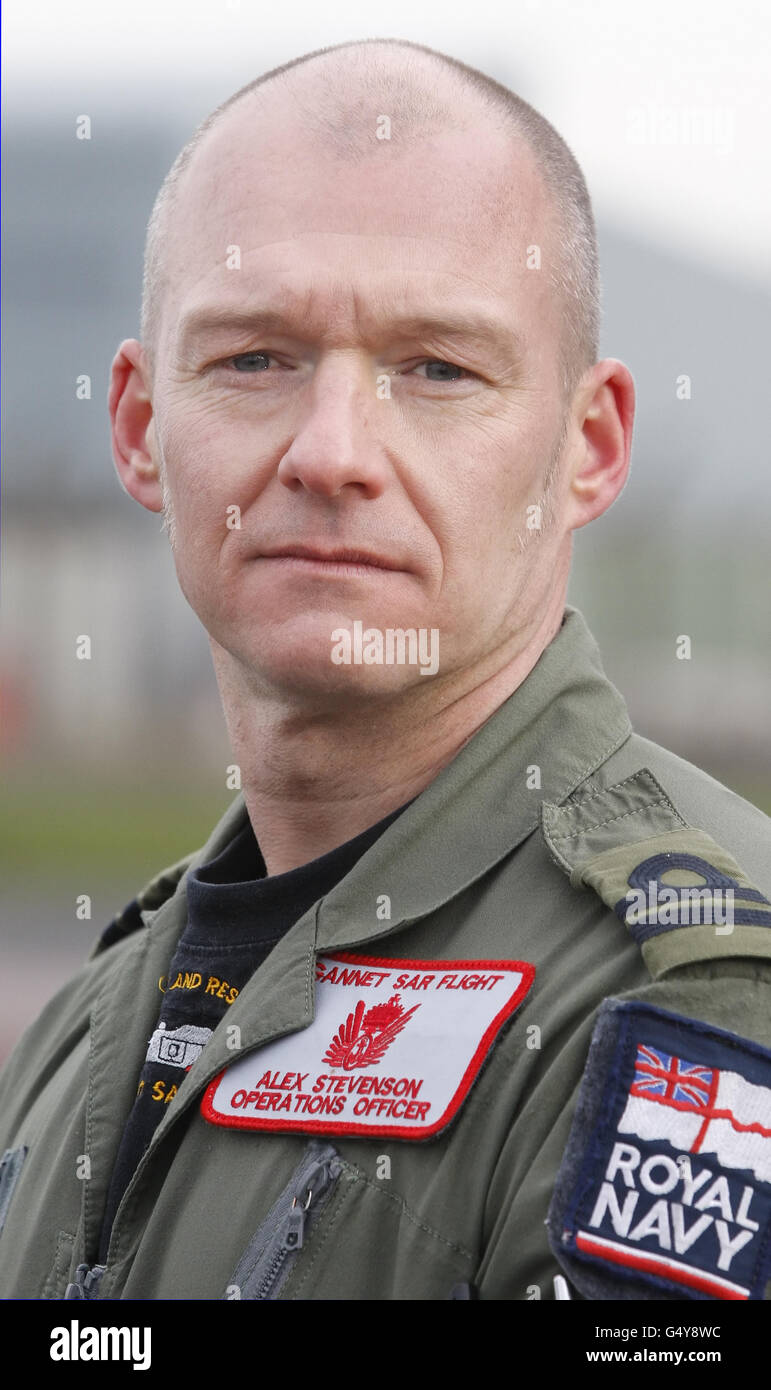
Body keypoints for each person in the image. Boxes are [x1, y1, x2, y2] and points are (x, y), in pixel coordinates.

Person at [1, 37, 769, 1304]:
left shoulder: (685, 1006)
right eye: (255, 359)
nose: (333, 452)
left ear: (588, 448)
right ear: (142, 430)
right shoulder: (95, 1015)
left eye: (437, 370)